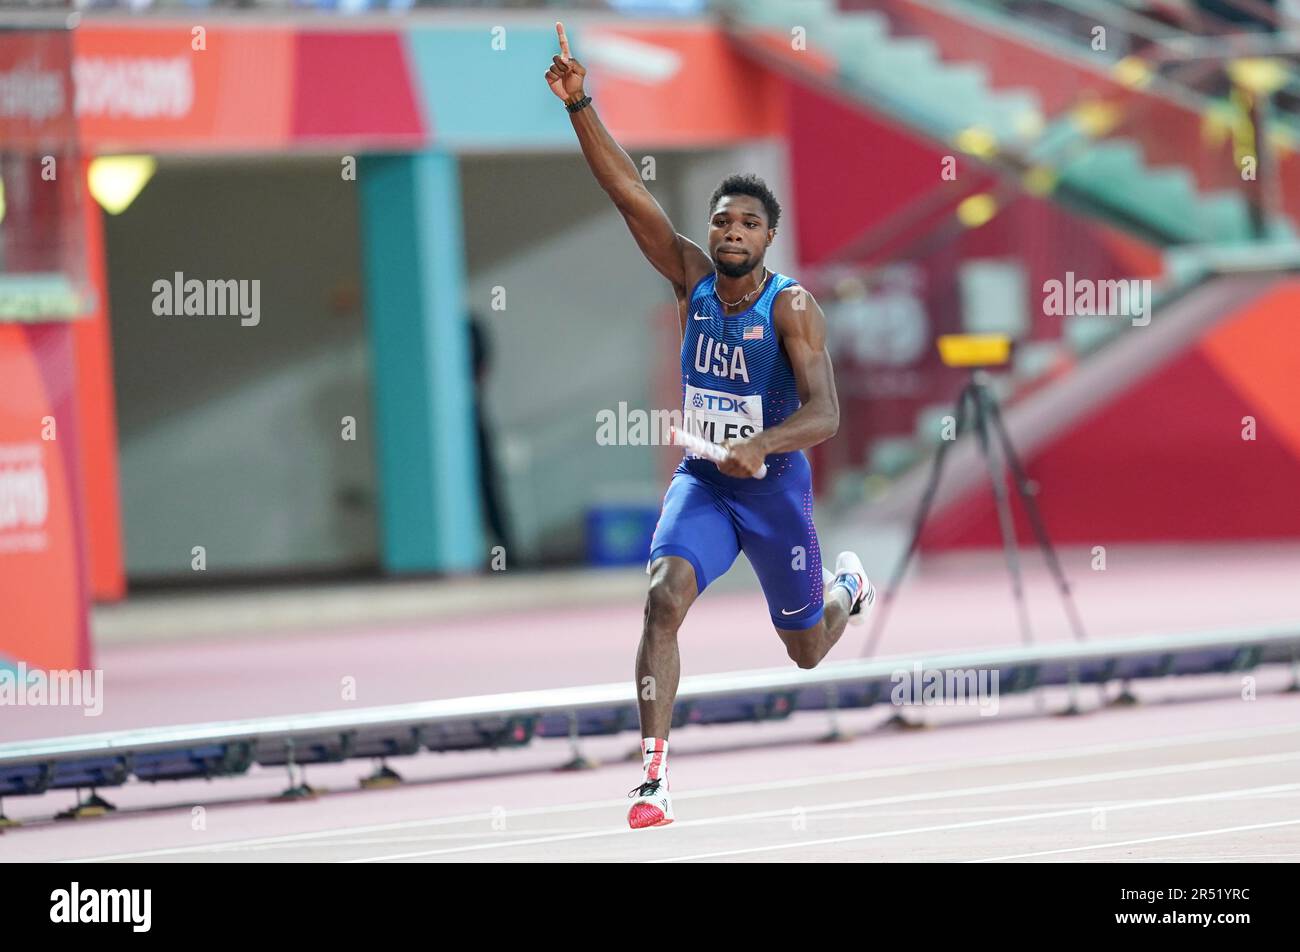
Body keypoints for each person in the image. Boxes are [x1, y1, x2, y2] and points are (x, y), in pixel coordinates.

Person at [545, 22, 874, 830]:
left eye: (746, 225)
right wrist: (581, 103)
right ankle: (652, 776)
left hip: (772, 492)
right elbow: (630, 194)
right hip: (702, 483)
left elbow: (826, 413)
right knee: (663, 599)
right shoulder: (689, 277)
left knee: (804, 650)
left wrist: (762, 443)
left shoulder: (790, 307)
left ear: (769, 239)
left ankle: (848, 588)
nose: (730, 233)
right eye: (722, 221)